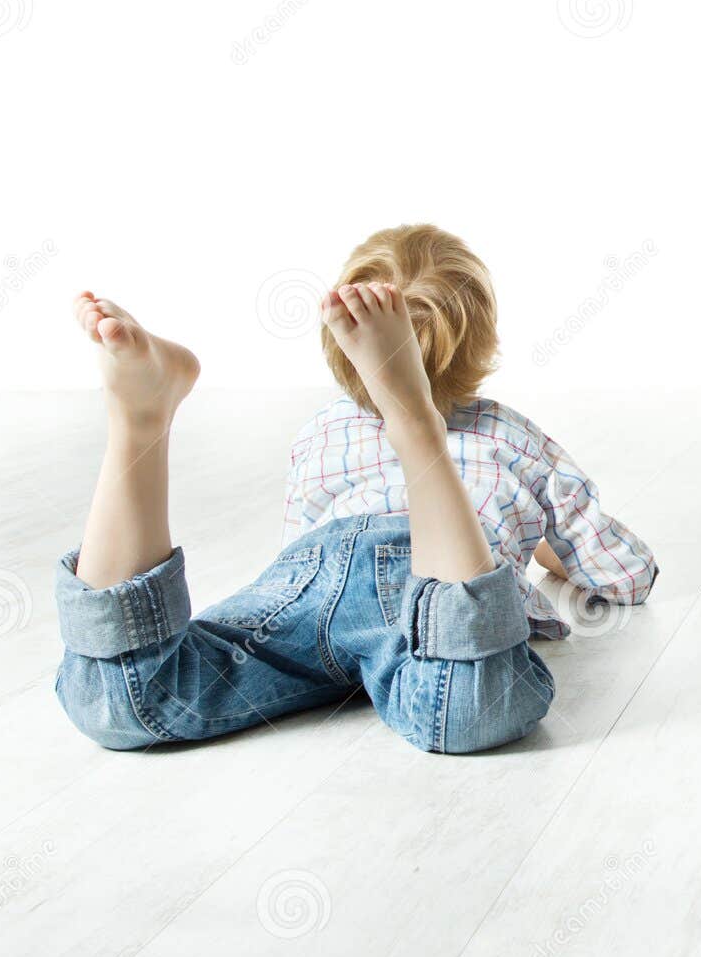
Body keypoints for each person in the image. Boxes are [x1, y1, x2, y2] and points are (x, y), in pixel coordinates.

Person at [53, 224, 656, 754]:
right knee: (476, 707)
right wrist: (541, 546)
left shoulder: (321, 431)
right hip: (424, 587)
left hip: (311, 571)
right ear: (483, 348)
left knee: (132, 696)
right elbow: (624, 575)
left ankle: (140, 424)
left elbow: (301, 540)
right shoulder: (516, 440)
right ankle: (417, 428)